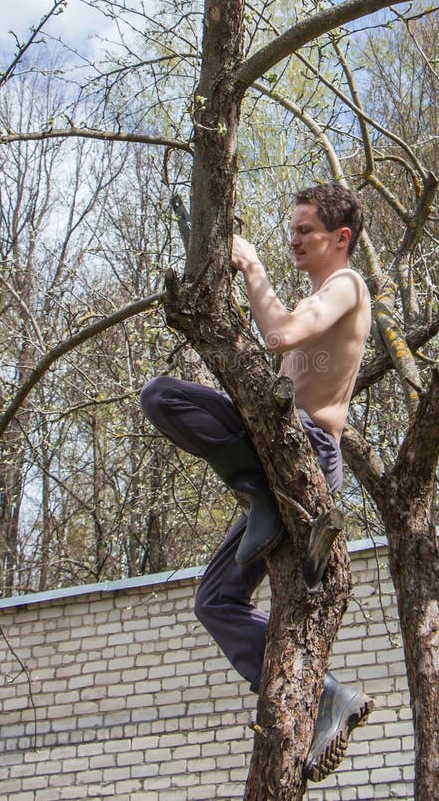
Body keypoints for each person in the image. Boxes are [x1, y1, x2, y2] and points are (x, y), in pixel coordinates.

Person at [140, 183, 373, 781]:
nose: (292, 238)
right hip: (279, 455)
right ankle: (324, 692)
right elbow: (272, 352)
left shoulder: (345, 286)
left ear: (339, 239)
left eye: (304, 230)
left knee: (163, 395)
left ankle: (261, 495)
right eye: (289, 229)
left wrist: (254, 267)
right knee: (214, 601)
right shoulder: (314, 297)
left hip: (307, 452)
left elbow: (281, 336)